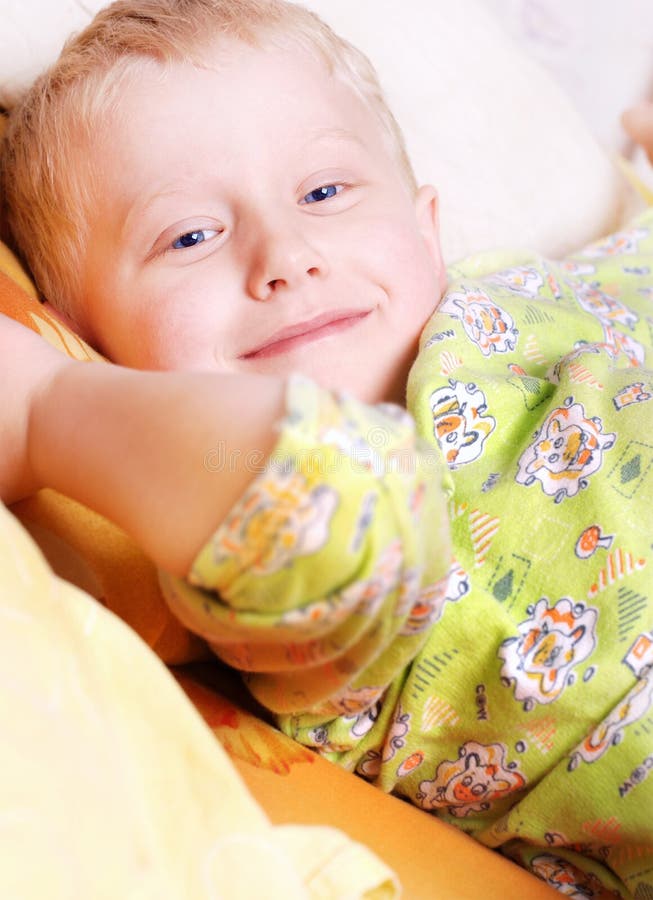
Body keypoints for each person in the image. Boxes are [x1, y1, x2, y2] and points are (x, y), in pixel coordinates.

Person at [1, 1, 653, 895]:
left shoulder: (522, 288)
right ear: (92, 340)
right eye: (189, 236)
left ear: (426, 228)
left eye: (323, 192)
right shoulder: (284, 550)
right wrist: (49, 406)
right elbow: (305, 496)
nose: (287, 253)